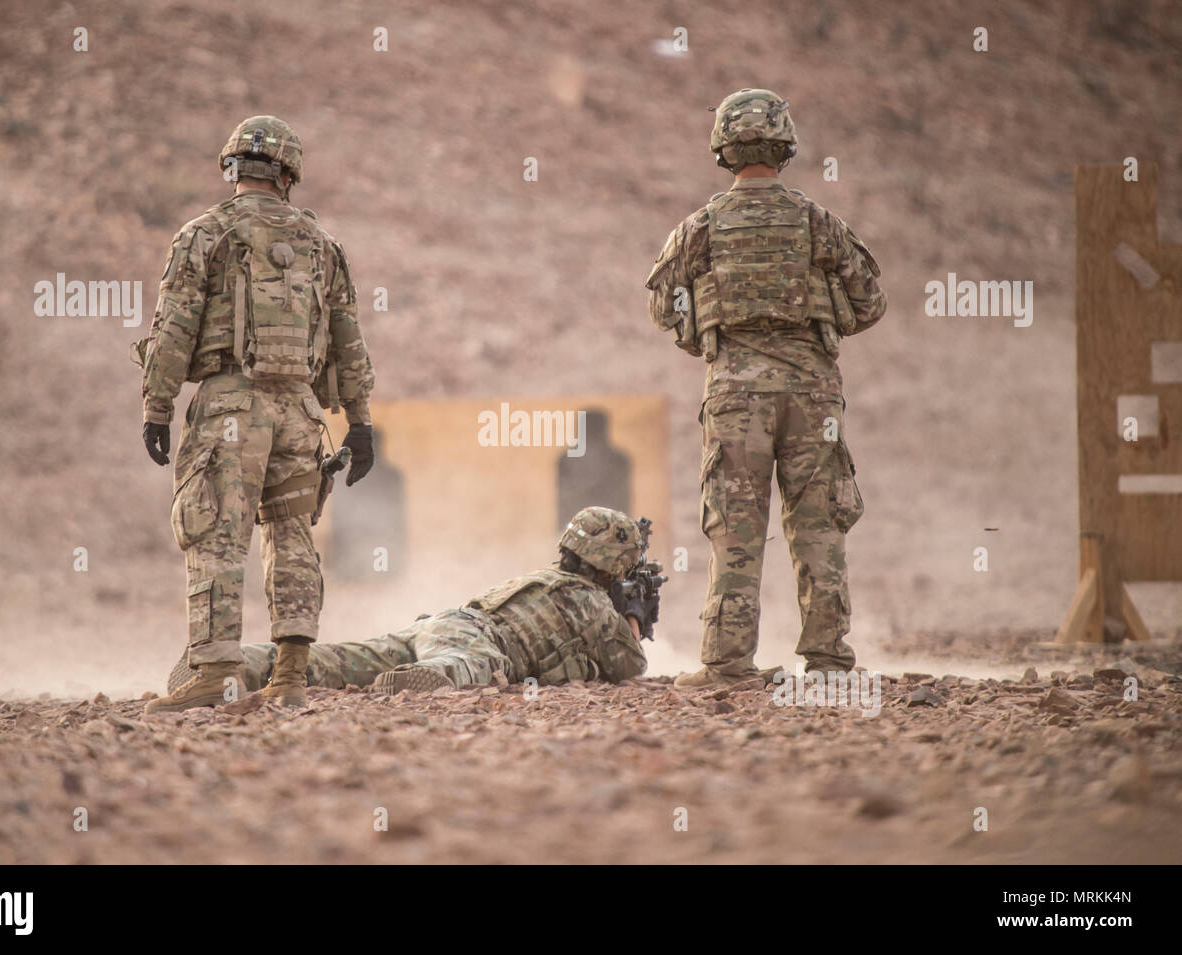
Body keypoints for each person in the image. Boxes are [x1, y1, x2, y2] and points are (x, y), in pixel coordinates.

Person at [645, 90, 886, 688]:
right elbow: (870, 301)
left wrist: (703, 334)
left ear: (722, 149)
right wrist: (822, 320)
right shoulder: (817, 222)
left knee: (735, 529)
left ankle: (727, 665)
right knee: (819, 527)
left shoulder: (701, 226)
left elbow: (662, 305)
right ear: (785, 145)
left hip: (734, 398)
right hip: (812, 396)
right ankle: (829, 664)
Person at [135, 115, 376, 714]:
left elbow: (174, 329)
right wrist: (363, 422)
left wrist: (157, 406)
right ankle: (291, 675)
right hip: (300, 409)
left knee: (216, 531)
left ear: (232, 169)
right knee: (292, 533)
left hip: (230, 405)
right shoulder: (323, 245)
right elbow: (349, 338)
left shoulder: (204, 233)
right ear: (289, 175)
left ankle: (217, 671)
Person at [166, 506, 651, 696]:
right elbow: (629, 666)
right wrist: (631, 614)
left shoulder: (547, 578)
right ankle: (431, 678)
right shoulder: (591, 603)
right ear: (614, 566)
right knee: (468, 665)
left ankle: (239, 662)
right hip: (472, 639)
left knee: (340, 660)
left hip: (442, 621)